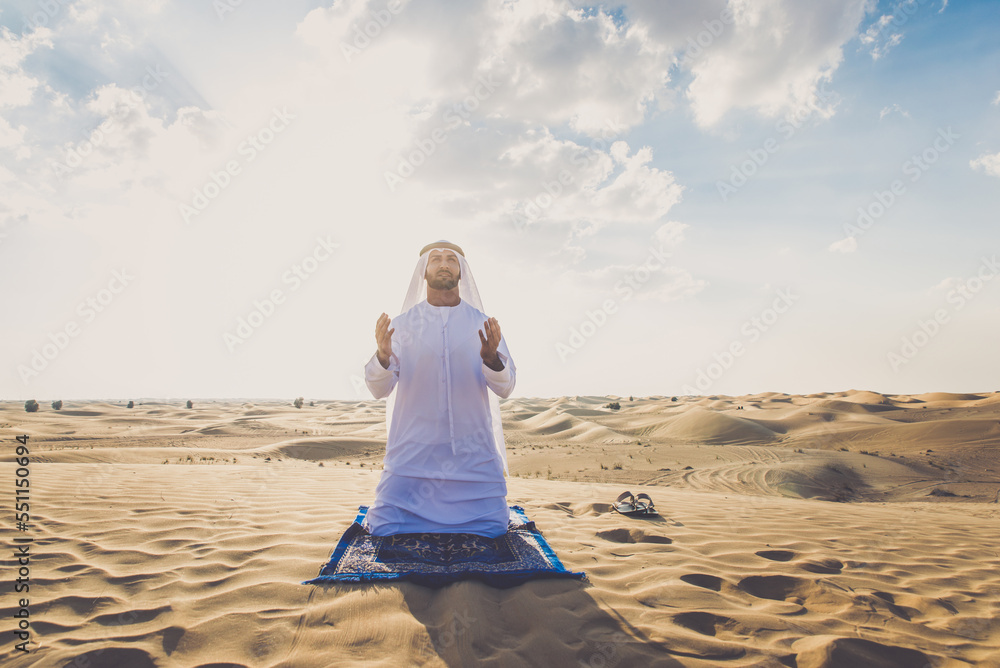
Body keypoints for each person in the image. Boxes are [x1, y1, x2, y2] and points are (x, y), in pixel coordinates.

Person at [363, 241, 516, 537]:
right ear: (424, 271)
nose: (444, 264)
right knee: (384, 528)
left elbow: (506, 387)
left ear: (461, 272)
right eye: (435, 259)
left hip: (473, 462)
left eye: (451, 260)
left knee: (493, 528)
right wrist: (382, 356)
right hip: (412, 462)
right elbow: (378, 390)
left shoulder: (483, 325)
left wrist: (491, 359)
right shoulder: (402, 326)